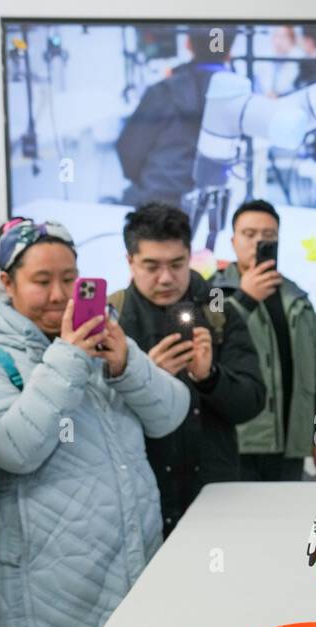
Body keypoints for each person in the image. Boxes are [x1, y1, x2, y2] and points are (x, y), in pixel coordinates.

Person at [0, 219, 190, 627]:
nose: (60, 294)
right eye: (42, 280)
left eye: (71, 278)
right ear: (7, 281)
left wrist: (128, 364)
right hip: (47, 580)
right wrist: (66, 356)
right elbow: (13, 448)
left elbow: (171, 415)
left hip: (130, 560)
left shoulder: (102, 340)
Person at [111, 203, 264, 536]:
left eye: (176, 264)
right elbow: (97, 417)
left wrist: (209, 378)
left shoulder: (218, 309)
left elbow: (252, 401)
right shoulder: (113, 318)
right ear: (130, 262)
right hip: (138, 498)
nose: (165, 278)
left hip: (214, 493)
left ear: (189, 256)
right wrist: (143, 380)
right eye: (151, 266)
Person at [214, 199, 316, 481]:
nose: (258, 242)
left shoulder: (299, 300)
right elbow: (210, 344)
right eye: (249, 234)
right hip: (236, 442)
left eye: (268, 236)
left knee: (286, 522)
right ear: (233, 241)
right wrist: (244, 298)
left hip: (291, 444)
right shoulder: (214, 293)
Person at [116, 28, 236, 208]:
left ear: (187, 43)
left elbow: (129, 150)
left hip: (158, 202)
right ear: (229, 54)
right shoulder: (238, 97)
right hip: (214, 206)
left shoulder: (163, 91)